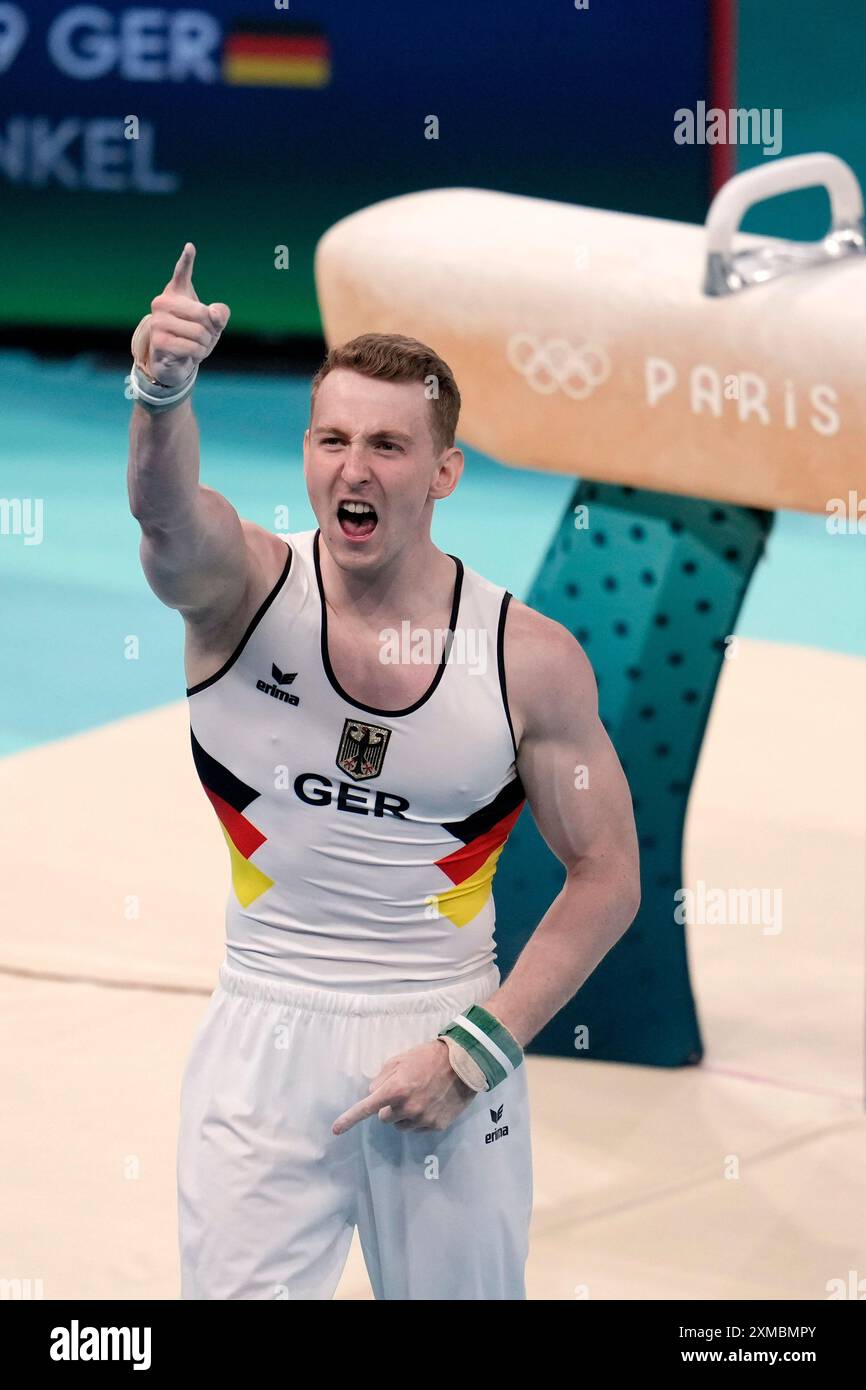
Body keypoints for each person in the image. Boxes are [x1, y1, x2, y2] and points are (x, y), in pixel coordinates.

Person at [126, 242, 640, 1301]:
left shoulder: (525, 660)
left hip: (441, 1020)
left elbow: (607, 873)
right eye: (331, 439)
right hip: (262, 1028)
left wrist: (471, 1053)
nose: (352, 469)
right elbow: (166, 517)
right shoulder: (238, 594)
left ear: (443, 471)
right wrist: (161, 393)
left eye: (388, 446)